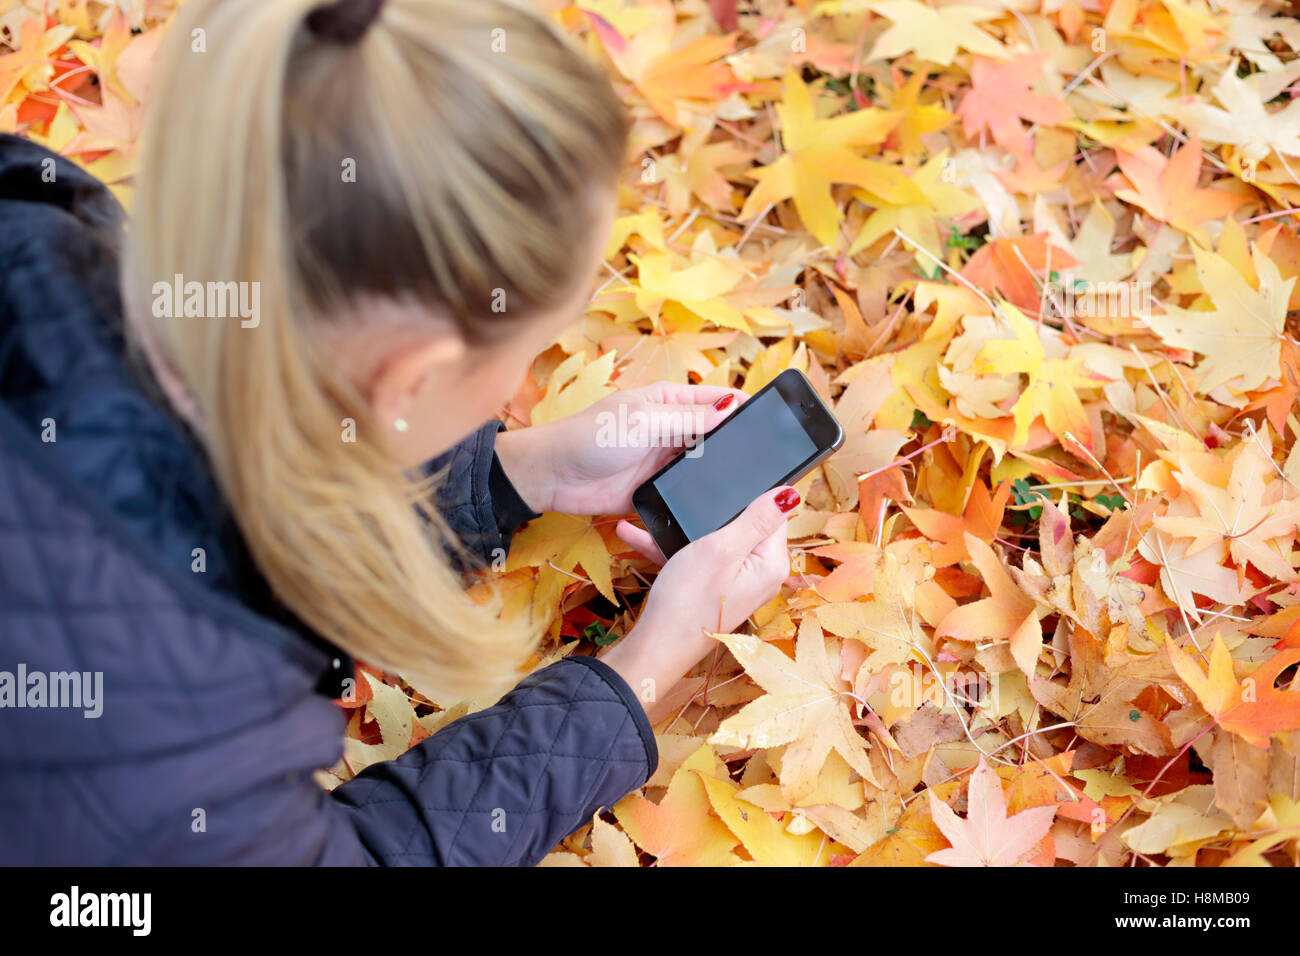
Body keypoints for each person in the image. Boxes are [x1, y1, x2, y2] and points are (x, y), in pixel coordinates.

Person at [0, 0, 798, 865]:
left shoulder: (35, 215)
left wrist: (516, 475)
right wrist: (639, 674)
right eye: (529, 345)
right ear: (410, 374)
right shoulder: (163, 745)